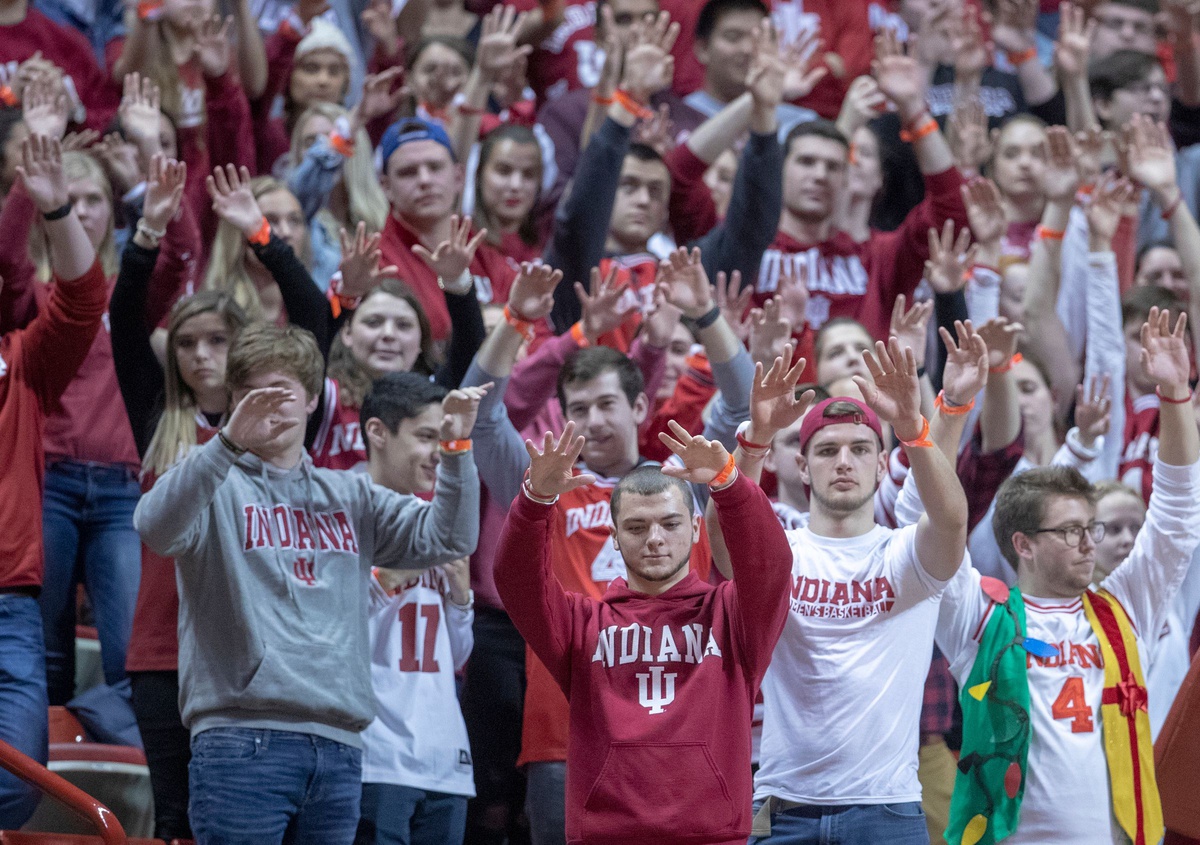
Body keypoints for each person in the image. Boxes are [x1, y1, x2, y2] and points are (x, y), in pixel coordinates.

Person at [132, 322, 483, 844]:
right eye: (250, 394)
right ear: (231, 400)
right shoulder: (209, 477)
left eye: (281, 394)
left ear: (314, 400)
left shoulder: (351, 494)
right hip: (239, 739)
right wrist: (224, 444)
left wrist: (456, 447)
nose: (266, 408)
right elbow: (154, 527)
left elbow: (450, 537)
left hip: (340, 747)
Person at [938, 307, 1200, 845]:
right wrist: (955, 406)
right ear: (1024, 544)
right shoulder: (979, 615)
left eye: (1091, 529)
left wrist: (1175, 398)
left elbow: (1175, 517)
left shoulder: (1124, 606)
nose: (1088, 543)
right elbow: (934, 525)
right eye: (1070, 531)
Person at [494, 407, 795, 843]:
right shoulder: (581, 624)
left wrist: (729, 483)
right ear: (614, 535)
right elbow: (517, 581)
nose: (654, 538)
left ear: (696, 530)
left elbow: (770, 565)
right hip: (605, 835)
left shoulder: (734, 616)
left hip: (712, 835)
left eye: (670, 524)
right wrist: (535, 500)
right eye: (636, 526)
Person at [748, 333, 973, 842]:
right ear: (801, 466)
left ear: (881, 462)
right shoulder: (781, 551)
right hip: (781, 808)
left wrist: (915, 427)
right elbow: (723, 541)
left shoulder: (907, 554)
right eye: (827, 450)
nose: (844, 461)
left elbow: (952, 517)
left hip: (886, 809)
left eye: (860, 449)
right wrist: (757, 438)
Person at [110, 153, 248, 841]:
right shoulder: (157, 417)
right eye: (188, 342)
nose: (199, 355)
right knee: (174, 820)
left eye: (217, 340)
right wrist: (147, 232)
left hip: (242, 650)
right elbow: (124, 322)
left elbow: (317, 317)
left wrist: (264, 239)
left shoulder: (272, 424)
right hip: (161, 648)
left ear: (242, 348)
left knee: (235, 819)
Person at [0, 132, 108, 829]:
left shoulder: (22, 360)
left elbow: (80, 299)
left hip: (9, 598)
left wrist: (57, 208)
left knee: (21, 778)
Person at [354, 372, 477, 845]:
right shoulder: (341, 509)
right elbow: (325, 638)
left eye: (443, 439)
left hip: (445, 757)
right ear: (378, 433)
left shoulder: (440, 523)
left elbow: (457, 655)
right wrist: (387, 579)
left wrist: (461, 599)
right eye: (427, 436)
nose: (437, 453)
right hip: (375, 757)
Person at [376, 116, 516, 343]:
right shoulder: (376, 262)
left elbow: (534, 331)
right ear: (386, 187)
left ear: (459, 177)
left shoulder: (487, 254)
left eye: (435, 167)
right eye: (408, 172)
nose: (424, 180)